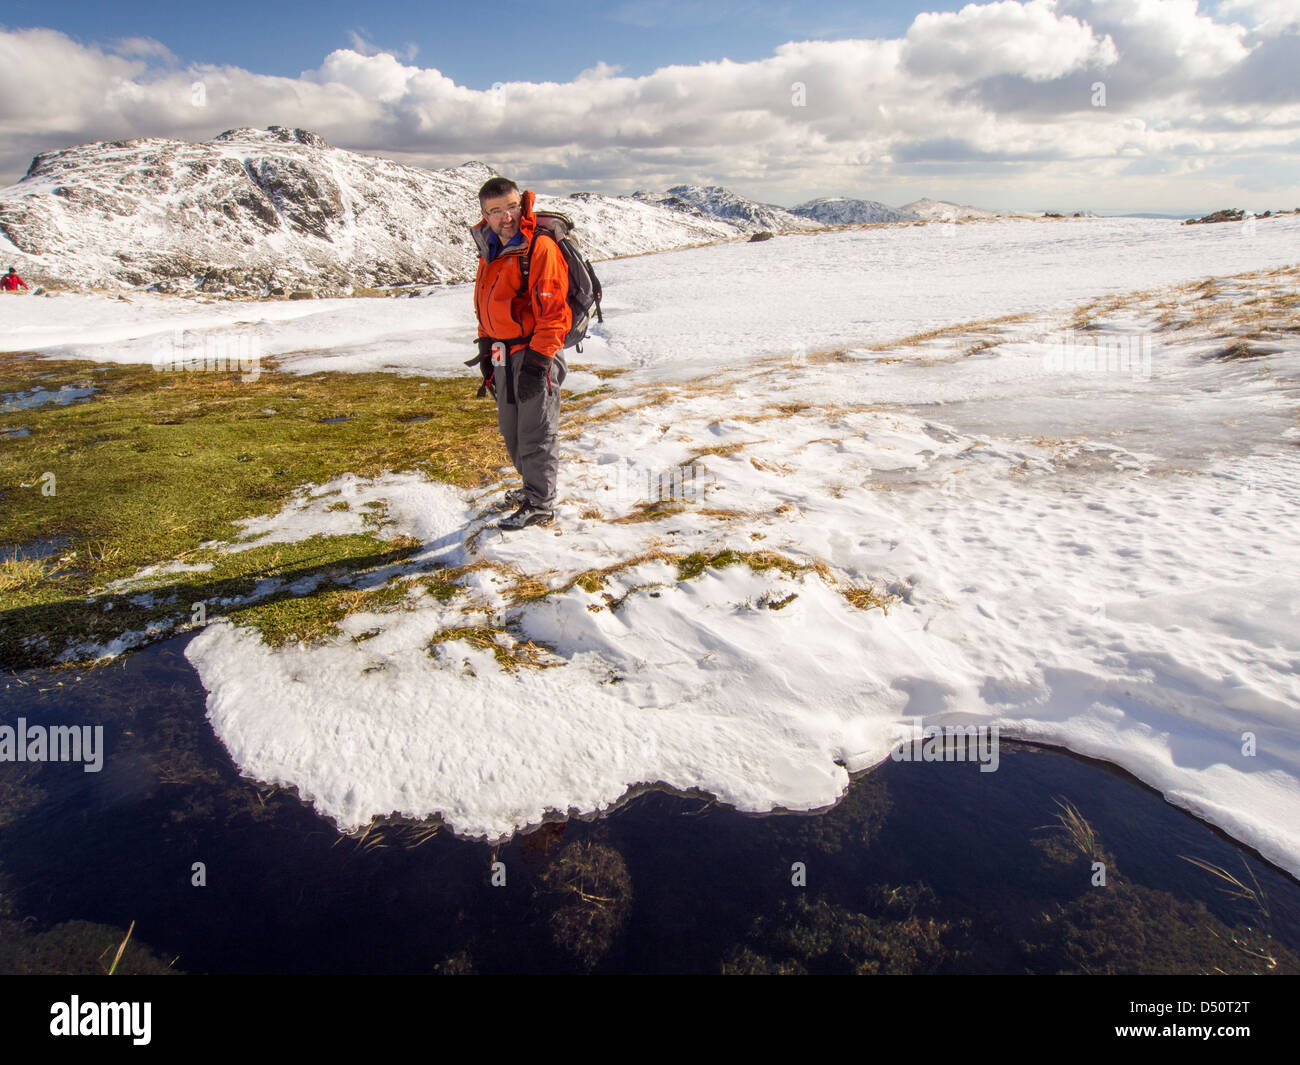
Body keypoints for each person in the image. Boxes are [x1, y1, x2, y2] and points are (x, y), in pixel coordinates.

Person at [471, 177, 571, 530]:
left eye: (511, 206)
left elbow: (555, 313)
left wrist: (538, 363)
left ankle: (541, 504)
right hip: (502, 352)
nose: (506, 216)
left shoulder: (538, 248)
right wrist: (486, 347)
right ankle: (531, 488)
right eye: (496, 211)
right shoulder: (491, 247)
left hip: (532, 353)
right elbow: (485, 304)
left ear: (521, 204)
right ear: (485, 214)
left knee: (536, 431)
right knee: (511, 430)